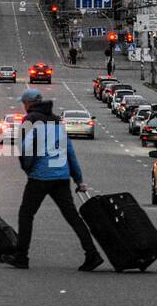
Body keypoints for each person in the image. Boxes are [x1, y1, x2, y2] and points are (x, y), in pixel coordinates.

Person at [5, 88, 102, 271]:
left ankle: (21, 257)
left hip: (40, 176)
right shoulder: (57, 121)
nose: (23, 106)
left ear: (29, 103)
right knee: (73, 216)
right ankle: (92, 254)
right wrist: (78, 179)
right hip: (61, 176)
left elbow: (26, 148)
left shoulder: (31, 120)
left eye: (24, 103)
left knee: (26, 215)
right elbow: (70, 152)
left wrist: (28, 168)